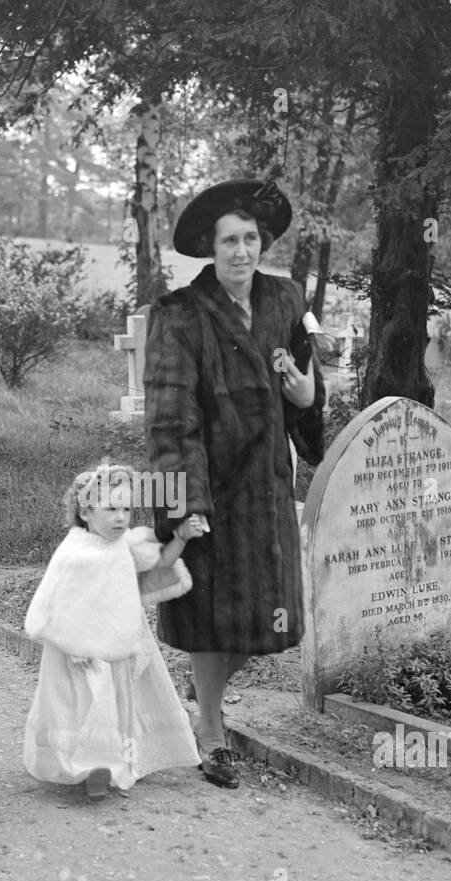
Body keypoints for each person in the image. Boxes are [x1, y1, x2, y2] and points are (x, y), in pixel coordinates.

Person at [144, 178, 326, 790]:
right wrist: (180, 506)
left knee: (266, 617)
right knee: (208, 614)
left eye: (250, 239)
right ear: (210, 247)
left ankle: (207, 696)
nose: (241, 251)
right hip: (209, 489)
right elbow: (170, 417)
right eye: (229, 241)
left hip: (268, 486)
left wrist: (305, 396)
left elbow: (304, 384)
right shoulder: (178, 314)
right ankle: (212, 733)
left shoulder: (284, 298)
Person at [23, 463, 203, 799]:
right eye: (111, 509)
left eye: (126, 509)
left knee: (120, 703)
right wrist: (74, 642)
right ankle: (91, 768)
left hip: (120, 638)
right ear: (86, 511)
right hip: (79, 648)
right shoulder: (75, 553)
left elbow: (161, 563)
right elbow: (59, 601)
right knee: (86, 706)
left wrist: (180, 537)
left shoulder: (126, 545)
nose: (121, 518)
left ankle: (122, 762)